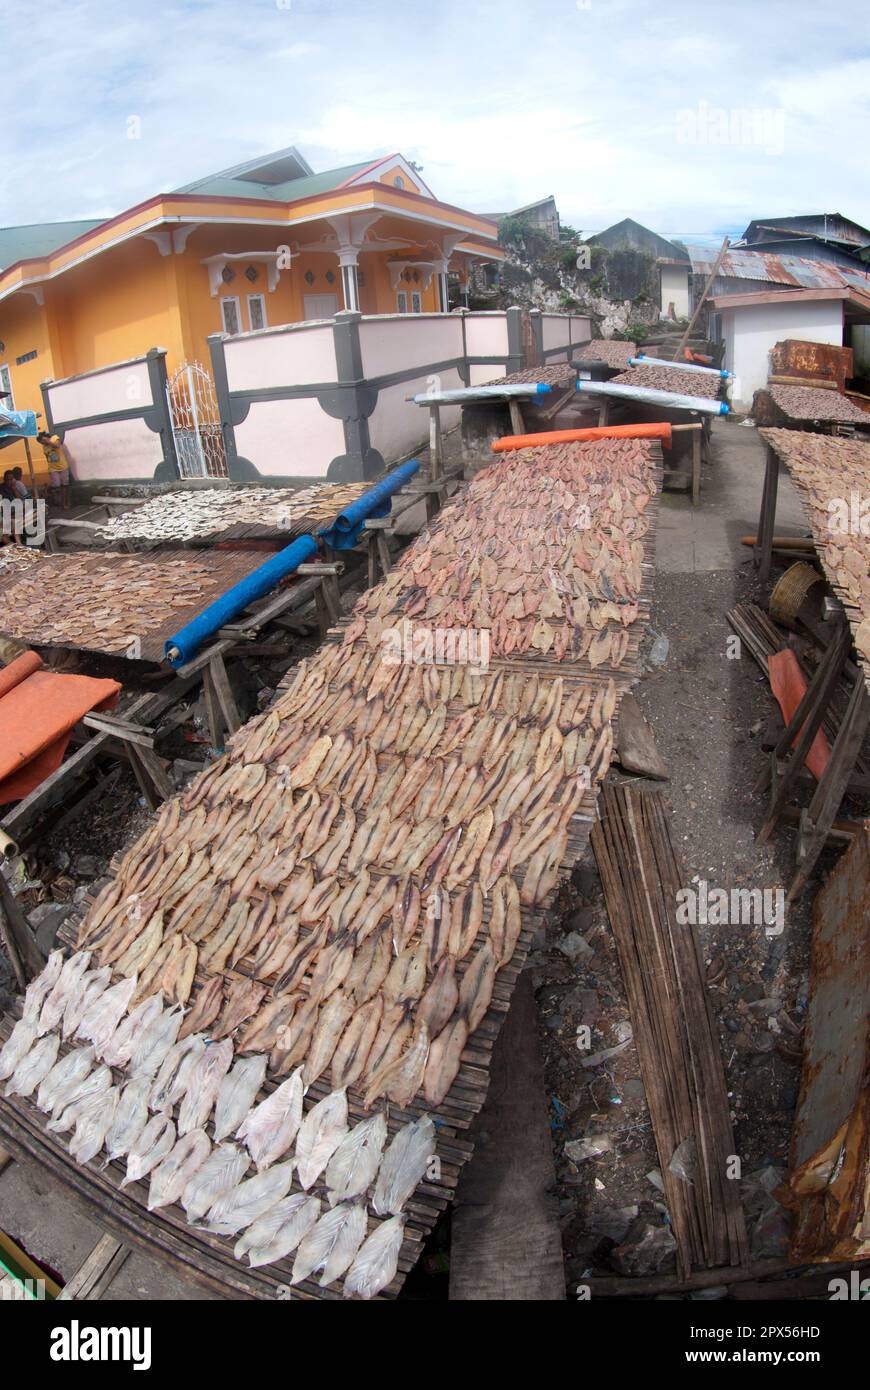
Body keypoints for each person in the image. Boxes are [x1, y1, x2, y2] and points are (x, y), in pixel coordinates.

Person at [37, 431, 70, 510]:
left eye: (42, 441)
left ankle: (64, 503)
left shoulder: (54, 438)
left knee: (64, 486)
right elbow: (47, 457)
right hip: (53, 468)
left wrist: (48, 441)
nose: (42, 443)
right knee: (56, 485)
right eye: (40, 442)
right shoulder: (44, 447)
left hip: (63, 466)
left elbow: (57, 445)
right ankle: (49, 491)